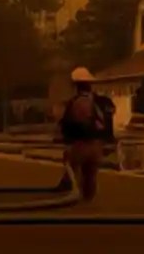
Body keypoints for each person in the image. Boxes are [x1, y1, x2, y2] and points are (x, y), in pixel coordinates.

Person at [56, 66, 106, 201]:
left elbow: (69, 123)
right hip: (97, 144)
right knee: (90, 175)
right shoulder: (99, 101)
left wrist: (65, 139)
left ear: (76, 85)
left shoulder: (75, 102)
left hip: (80, 143)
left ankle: (71, 194)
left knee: (72, 167)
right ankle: (89, 201)